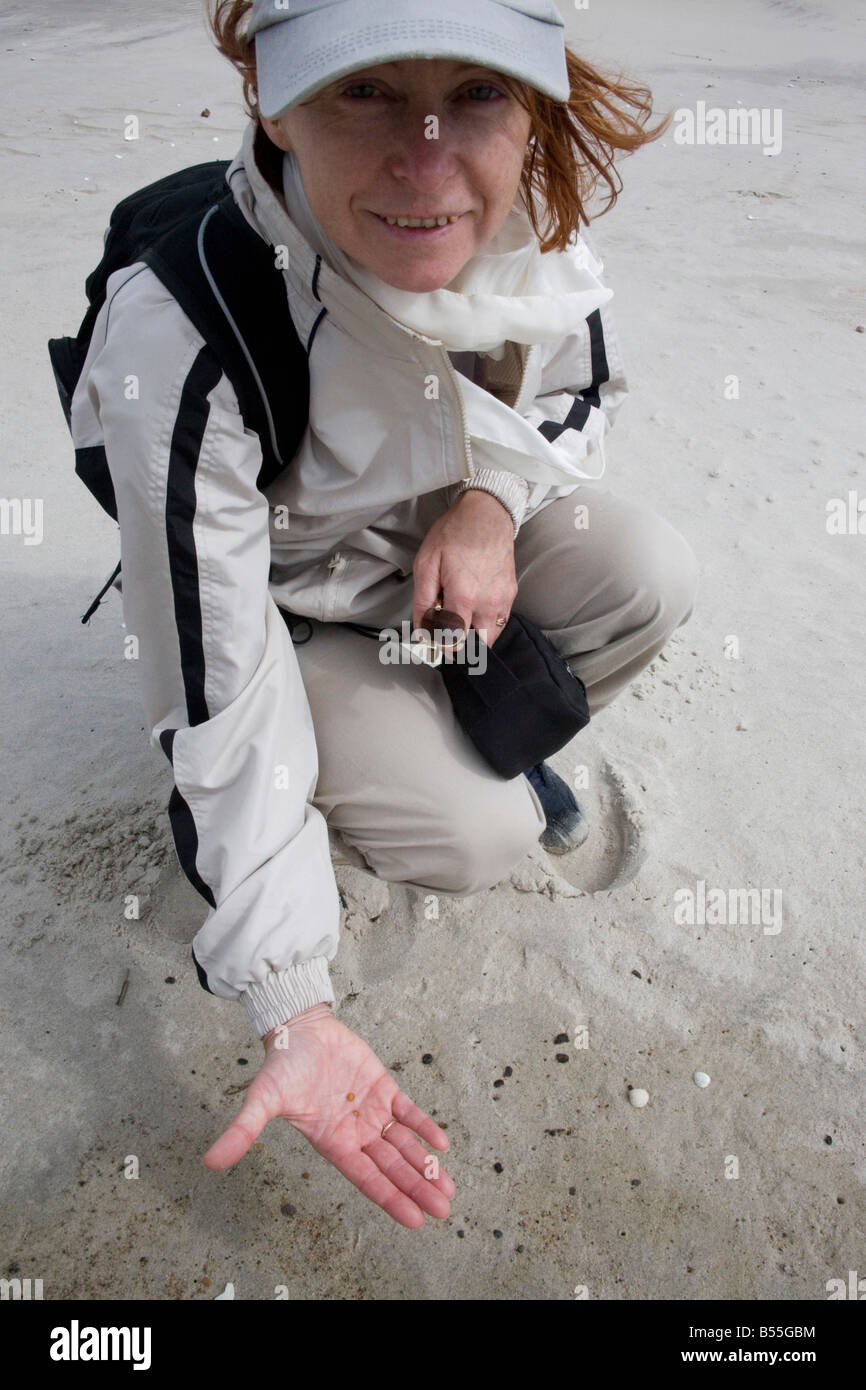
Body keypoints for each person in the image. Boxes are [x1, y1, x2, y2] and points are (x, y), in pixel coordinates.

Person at [69, 0, 698, 1229]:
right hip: (276, 598)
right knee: (475, 838)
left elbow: (576, 397)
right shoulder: (179, 332)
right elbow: (219, 681)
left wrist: (484, 499)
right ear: (270, 98)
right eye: (362, 91)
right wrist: (291, 996)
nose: (427, 160)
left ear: (531, 103)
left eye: (474, 92)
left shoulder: (529, 224)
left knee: (647, 568)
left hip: (426, 544)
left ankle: (457, 721)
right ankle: (333, 797)